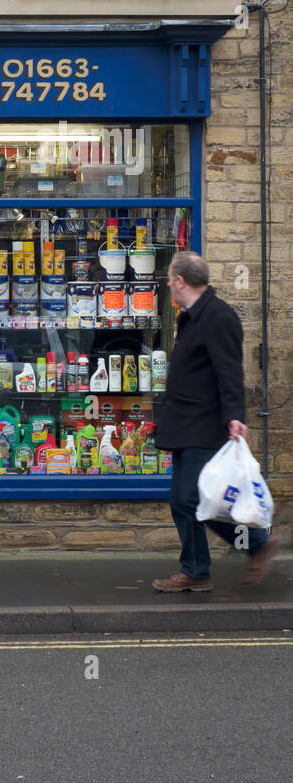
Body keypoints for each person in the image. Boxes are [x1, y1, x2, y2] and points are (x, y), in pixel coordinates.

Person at [152, 251, 277, 590]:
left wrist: (235, 417)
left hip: (204, 423)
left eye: (169, 279)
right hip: (184, 421)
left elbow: (230, 372)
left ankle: (219, 560)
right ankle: (216, 562)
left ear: (180, 281)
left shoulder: (219, 316)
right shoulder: (191, 315)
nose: (168, 285)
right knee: (185, 499)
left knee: (190, 498)